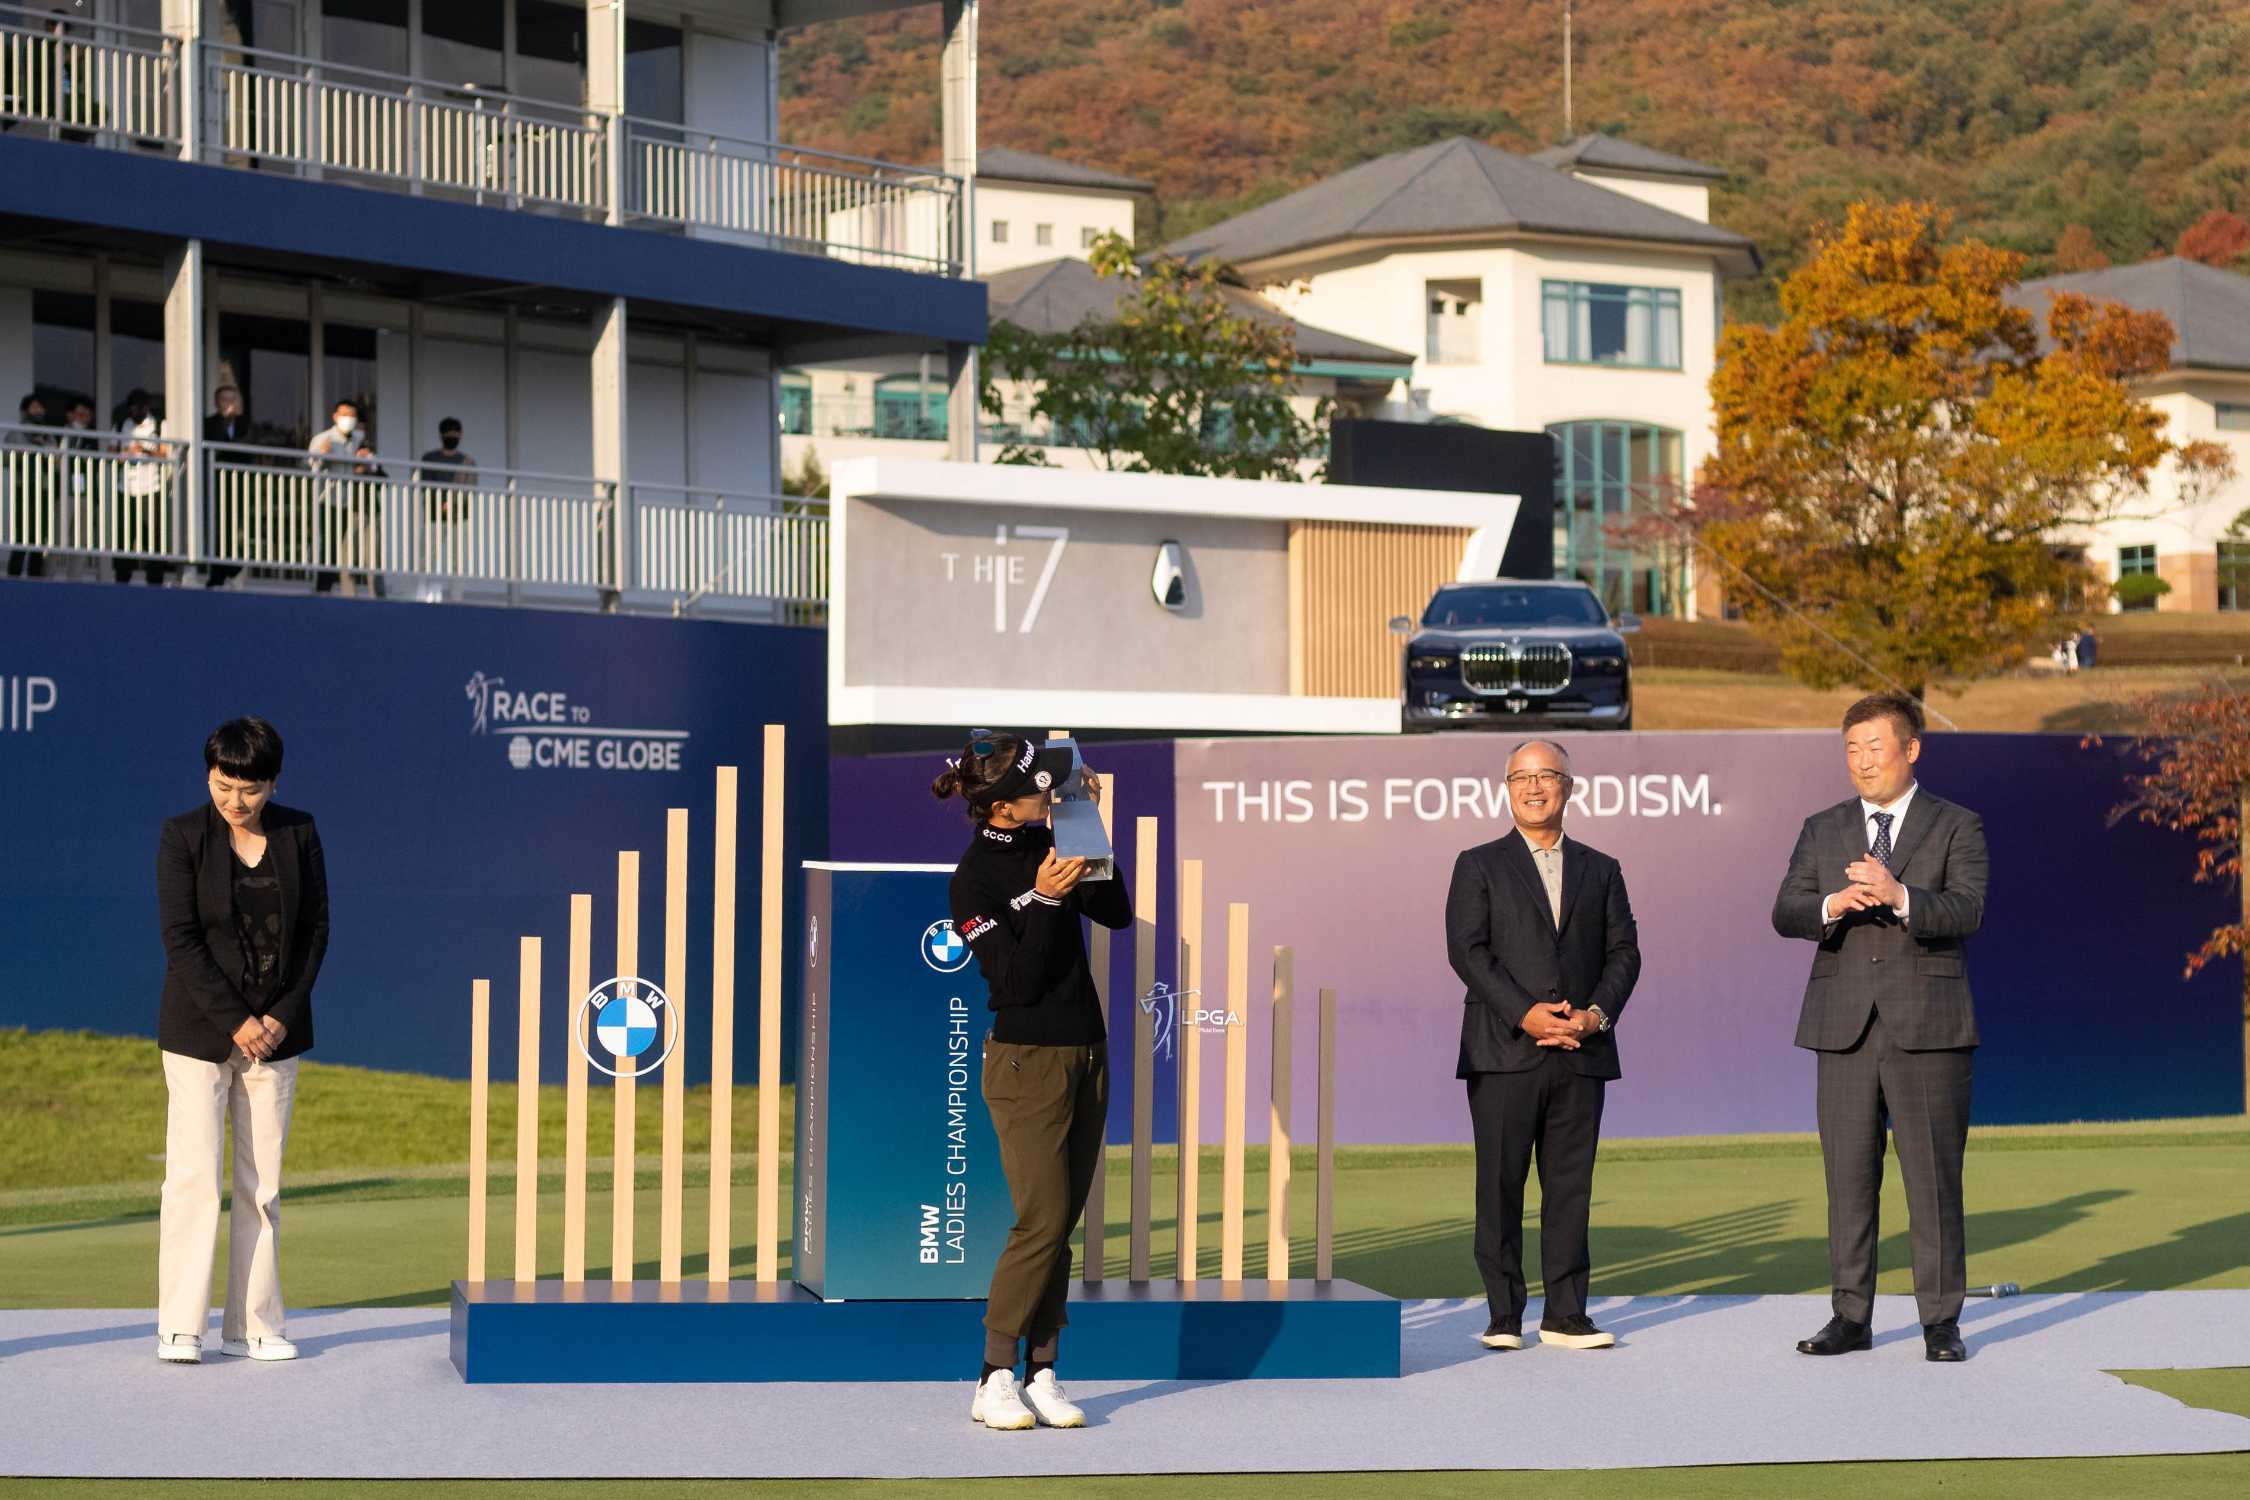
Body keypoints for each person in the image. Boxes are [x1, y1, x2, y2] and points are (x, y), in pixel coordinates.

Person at [1772, 692, 1987, 1364]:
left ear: (1910, 748)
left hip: (1929, 1026)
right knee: (1848, 1179)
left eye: (1875, 746)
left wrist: (1900, 897)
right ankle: (1850, 1316)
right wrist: (1834, 903)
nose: (1862, 761)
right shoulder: (1823, 827)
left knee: (1932, 1180)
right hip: (1842, 1025)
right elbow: (1786, 910)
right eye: (1851, 749)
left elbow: (1968, 909)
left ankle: (1940, 1321)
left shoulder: (1957, 824)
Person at [933, 732, 1131, 1431]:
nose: (1050, 789)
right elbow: (1014, 983)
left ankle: (1042, 1371)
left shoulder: (1054, 836)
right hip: (1025, 1062)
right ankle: (993, 1375)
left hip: (1087, 1052)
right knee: (1040, 1222)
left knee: (1060, 1225)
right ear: (1002, 805)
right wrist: (1044, 901)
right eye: (1037, 785)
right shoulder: (972, 880)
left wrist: (1086, 824)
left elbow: (1115, 913)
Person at [1446, 738, 1641, 1353]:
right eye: (1521, 778)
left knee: (1570, 1190)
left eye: (1547, 776)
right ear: (1506, 789)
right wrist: (1524, 1013)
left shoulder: (1602, 868)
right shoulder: (1478, 864)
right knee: (1500, 1187)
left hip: (1582, 1053)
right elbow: (1467, 951)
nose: (1534, 787)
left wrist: (1594, 1017)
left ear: (1568, 787)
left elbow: (1624, 953)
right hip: (1504, 1051)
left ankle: (1566, 1315)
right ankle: (1504, 1316)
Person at [154, 717, 329, 1366]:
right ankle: (181, 1327)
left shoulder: (299, 831)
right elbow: (181, 941)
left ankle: (253, 1326)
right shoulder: (182, 836)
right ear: (210, 776)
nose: (235, 800)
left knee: (263, 1187)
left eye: (249, 789)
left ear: (272, 783)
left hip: (276, 1036)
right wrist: (237, 1021)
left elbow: (315, 931)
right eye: (224, 785)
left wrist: (279, 1015)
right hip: (198, 1033)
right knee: (194, 1178)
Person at [307, 399, 384, 597]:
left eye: (352, 416)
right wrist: (323, 455)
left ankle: (355, 592)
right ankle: (323, 591)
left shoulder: (360, 440)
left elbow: (376, 467)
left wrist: (367, 463)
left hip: (355, 504)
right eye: (344, 415)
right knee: (329, 547)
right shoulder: (323, 439)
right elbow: (312, 467)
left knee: (353, 551)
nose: (348, 419)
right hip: (330, 501)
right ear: (335, 417)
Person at [115, 388, 173, 586]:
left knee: (153, 535)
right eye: (135, 407)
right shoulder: (121, 425)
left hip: (151, 487)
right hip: (125, 487)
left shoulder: (159, 425)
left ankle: (155, 580)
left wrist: (144, 451)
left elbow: (164, 454)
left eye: (142, 407)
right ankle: (122, 579)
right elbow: (111, 451)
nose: (138, 411)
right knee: (124, 535)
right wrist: (125, 453)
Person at [418, 418, 478, 595]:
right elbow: (425, 485)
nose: (452, 436)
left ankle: (456, 597)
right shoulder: (429, 458)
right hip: (434, 517)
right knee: (427, 557)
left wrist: (453, 503)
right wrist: (441, 503)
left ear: (461, 435)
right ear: (441, 435)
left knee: (459, 561)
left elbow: (470, 489)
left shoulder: (467, 462)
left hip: (460, 519)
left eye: (455, 433)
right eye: (449, 433)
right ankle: (423, 594)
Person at [203, 386, 250, 588]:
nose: (229, 404)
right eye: (224, 400)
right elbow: (216, 444)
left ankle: (230, 569)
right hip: (216, 482)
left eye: (233, 400)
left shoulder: (245, 423)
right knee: (217, 527)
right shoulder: (209, 423)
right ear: (216, 403)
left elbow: (246, 447)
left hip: (238, 482)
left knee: (234, 526)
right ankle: (222, 572)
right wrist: (226, 422)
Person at [6, 392, 55, 578]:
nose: (39, 411)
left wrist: (43, 446)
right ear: (25, 411)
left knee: (40, 534)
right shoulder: (16, 432)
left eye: (41, 407)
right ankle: (14, 575)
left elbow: (57, 460)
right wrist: (26, 451)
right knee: (22, 532)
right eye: (35, 407)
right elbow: (6, 458)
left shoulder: (48, 434)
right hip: (23, 487)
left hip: (43, 488)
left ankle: (36, 575)